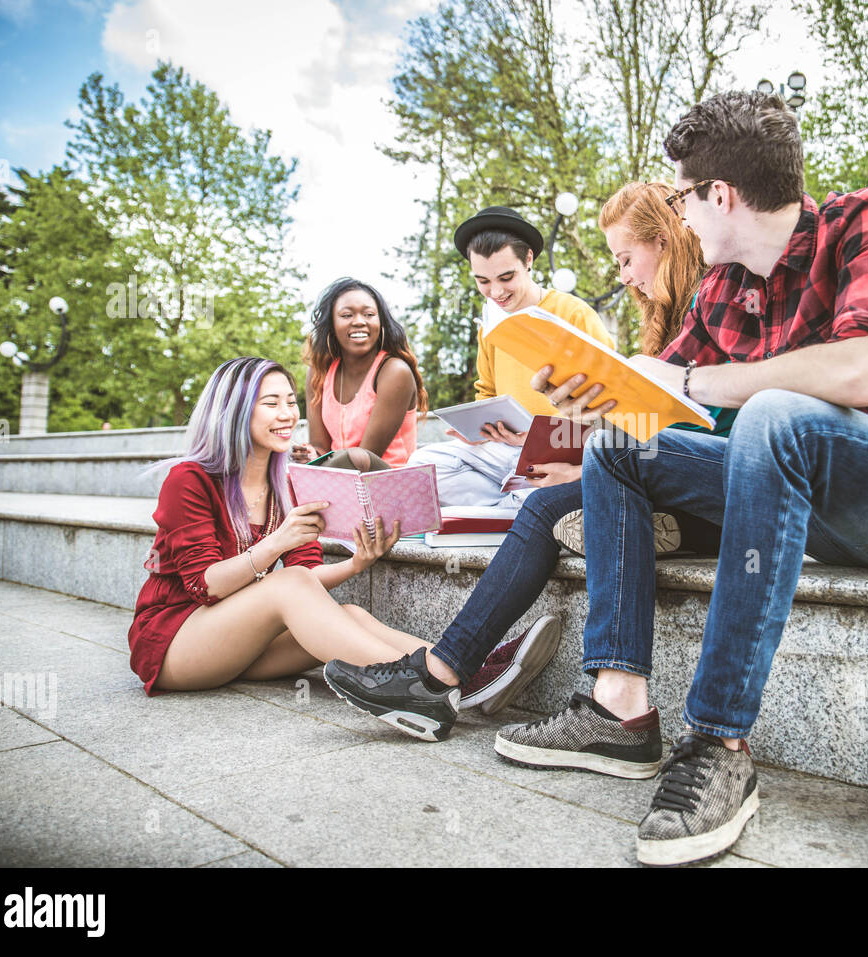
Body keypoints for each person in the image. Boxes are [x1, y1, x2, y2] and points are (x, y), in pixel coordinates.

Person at [496, 91, 868, 866]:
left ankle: (721, 739)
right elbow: (653, 398)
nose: (683, 218)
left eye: (683, 198)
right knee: (619, 452)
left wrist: (705, 385)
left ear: (720, 195)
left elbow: (865, 368)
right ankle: (619, 707)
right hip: (804, 503)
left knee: (773, 411)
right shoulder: (722, 289)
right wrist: (596, 398)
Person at [323, 182, 728, 727]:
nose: (624, 276)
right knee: (497, 484)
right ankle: (443, 676)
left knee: (558, 494)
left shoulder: (713, 305)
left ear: (668, 241)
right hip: (608, 459)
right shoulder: (669, 320)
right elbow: (634, 422)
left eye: (627, 259)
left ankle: (447, 676)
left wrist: (588, 450)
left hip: (699, 473)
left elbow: (683, 427)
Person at [128, 357, 456, 736]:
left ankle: (461, 673)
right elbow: (206, 585)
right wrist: (277, 540)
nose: (287, 414)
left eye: (290, 401)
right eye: (271, 404)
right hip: (174, 645)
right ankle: (421, 689)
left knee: (349, 612)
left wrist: (356, 563)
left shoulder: (287, 484)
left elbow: (308, 573)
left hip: (238, 644)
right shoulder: (189, 479)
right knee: (289, 583)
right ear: (234, 412)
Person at [404, 207, 613, 507]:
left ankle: (514, 502)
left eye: (506, 277)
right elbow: (486, 391)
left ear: (528, 260)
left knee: (536, 493)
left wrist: (539, 436)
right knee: (420, 466)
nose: (496, 292)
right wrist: (478, 429)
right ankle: (511, 502)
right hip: (501, 450)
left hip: (559, 451)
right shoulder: (490, 324)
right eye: (483, 281)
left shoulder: (574, 315)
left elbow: (607, 402)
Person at [291, 278, 427, 472]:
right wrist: (310, 455)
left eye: (369, 314)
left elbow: (364, 458)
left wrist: (320, 464)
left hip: (387, 481)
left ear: (380, 323)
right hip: (338, 480)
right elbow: (320, 447)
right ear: (331, 324)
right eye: (346, 315)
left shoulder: (395, 372)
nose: (359, 322)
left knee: (355, 456)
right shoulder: (319, 372)